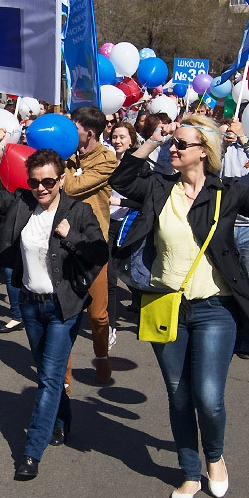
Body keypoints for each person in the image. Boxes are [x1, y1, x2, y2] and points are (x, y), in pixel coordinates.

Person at [110, 117, 249, 498]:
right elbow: (122, 180)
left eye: (181, 143)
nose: (173, 148)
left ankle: (215, 458)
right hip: (166, 305)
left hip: (216, 308)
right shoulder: (159, 186)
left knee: (208, 396)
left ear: (203, 151)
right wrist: (151, 141)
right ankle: (189, 471)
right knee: (179, 395)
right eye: (173, 143)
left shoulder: (227, 192)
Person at [0, 135, 107, 481]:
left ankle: (32, 451)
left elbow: (99, 253)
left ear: (61, 179)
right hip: (30, 306)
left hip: (63, 308)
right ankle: (62, 420)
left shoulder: (78, 212)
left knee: (48, 377)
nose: (40, 188)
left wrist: (71, 237)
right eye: (34, 182)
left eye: (48, 181)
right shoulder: (21, 203)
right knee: (48, 374)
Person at [63, 105, 119, 384]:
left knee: (97, 316)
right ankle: (65, 378)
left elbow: (72, 188)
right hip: (63, 244)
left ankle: (102, 358)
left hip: (94, 247)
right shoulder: (66, 156)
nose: (69, 133)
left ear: (90, 133)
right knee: (66, 315)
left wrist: (61, 168)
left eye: (75, 128)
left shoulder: (107, 159)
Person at [219, 116, 249, 303]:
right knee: (225, 282)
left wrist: (244, 140)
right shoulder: (223, 147)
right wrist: (223, 146)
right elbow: (211, 169)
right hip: (225, 224)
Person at [107, 121, 141, 348]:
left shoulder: (140, 165)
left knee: (134, 273)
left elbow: (144, 198)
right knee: (108, 276)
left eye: (122, 137)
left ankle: (142, 306)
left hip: (130, 225)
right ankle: (110, 326)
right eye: (114, 136)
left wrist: (117, 200)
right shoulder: (107, 161)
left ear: (131, 139)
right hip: (108, 224)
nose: (117, 141)